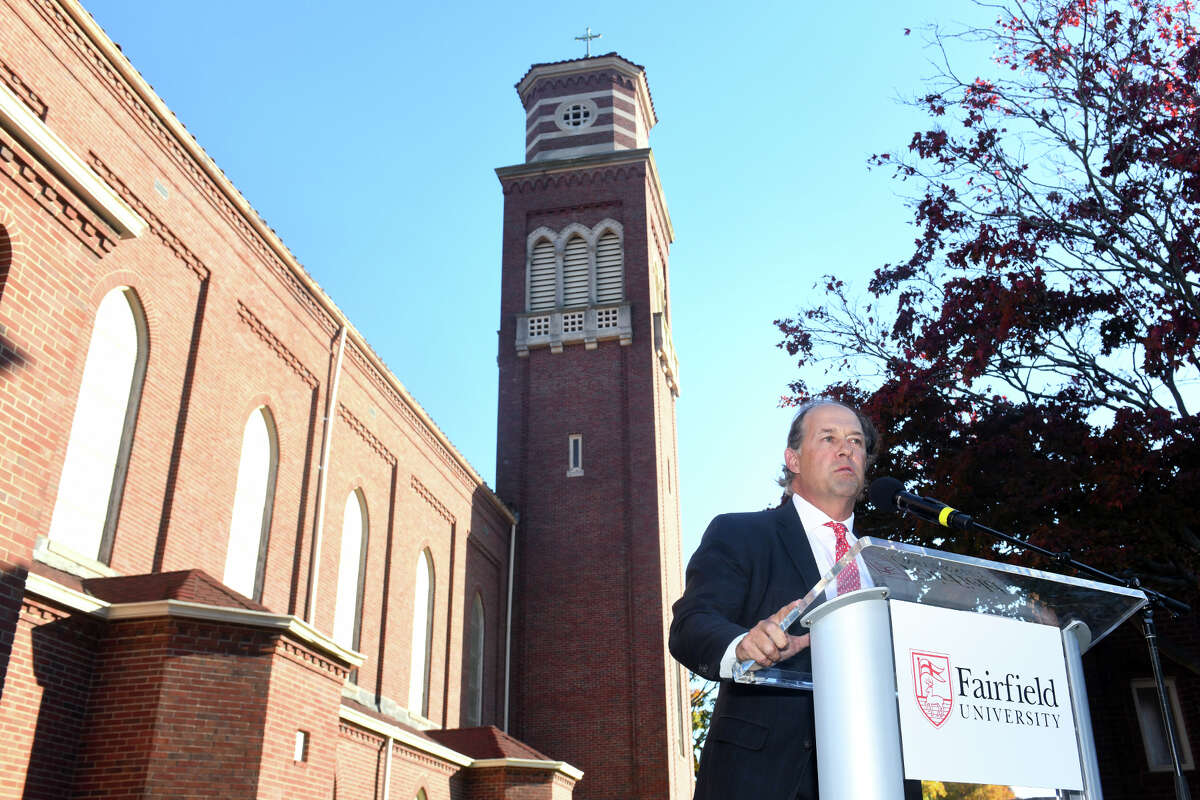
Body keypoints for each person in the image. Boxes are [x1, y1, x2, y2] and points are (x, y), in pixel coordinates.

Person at [668, 399, 886, 799]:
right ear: (794, 459)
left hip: (881, 773)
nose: (846, 449)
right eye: (829, 438)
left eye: (855, 441)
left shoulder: (886, 565)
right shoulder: (743, 534)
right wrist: (743, 644)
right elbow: (691, 623)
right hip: (767, 778)